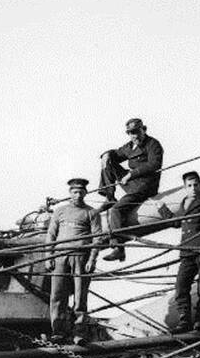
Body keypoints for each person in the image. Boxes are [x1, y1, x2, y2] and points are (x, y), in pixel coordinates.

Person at [156, 170, 200, 332]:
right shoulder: (185, 202)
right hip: (187, 252)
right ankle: (184, 320)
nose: (193, 188)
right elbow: (179, 223)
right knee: (181, 286)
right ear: (185, 187)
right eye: (189, 185)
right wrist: (163, 210)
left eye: (195, 185)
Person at [99, 117, 164, 260]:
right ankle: (109, 197)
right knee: (108, 162)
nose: (133, 136)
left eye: (135, 132)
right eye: (130, 133)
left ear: (143, 130)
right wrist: (106, 155)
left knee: (116, 210)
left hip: (145, 185)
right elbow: (117, 153)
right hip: (133, 182)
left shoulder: (153, 144)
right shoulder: (130, 146)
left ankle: (118, 248)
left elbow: (154, 165)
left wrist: (131, 174)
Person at [45, 177, 98, 343]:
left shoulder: (91, 212)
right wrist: (49, 257)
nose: (78, 195)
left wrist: (92, 259)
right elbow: (51, 235)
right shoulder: (60, 211)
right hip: (60, 257)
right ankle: (58, 331)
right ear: (70, 193)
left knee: (80, 297)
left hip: (81, 258)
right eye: (75, 192)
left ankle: (79, 333)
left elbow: (98, 238)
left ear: (85, 193)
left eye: (81, 192)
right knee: (57, 295)